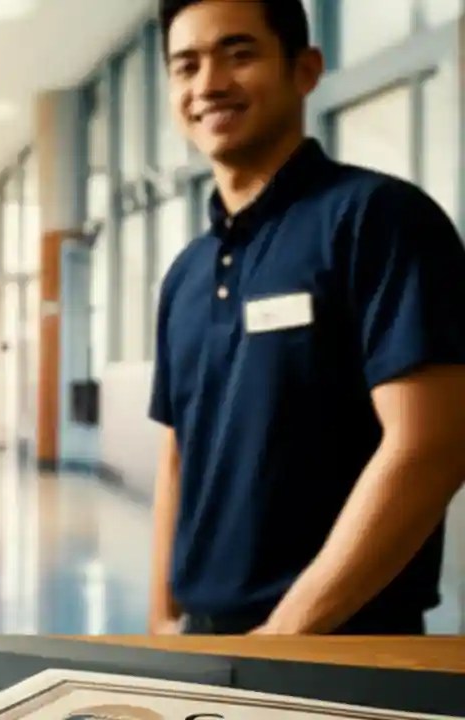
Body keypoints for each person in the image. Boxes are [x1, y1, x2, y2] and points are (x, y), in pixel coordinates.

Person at [149, 0, 465, 635]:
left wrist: (286, 637)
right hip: (206, 637)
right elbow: (179, 452)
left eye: (240, 55)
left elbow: (434, 445)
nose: (209, 84)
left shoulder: (378, 221)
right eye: (187, 66)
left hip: (344, 638)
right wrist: (161, 618)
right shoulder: (186, 272)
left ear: (306, 69)